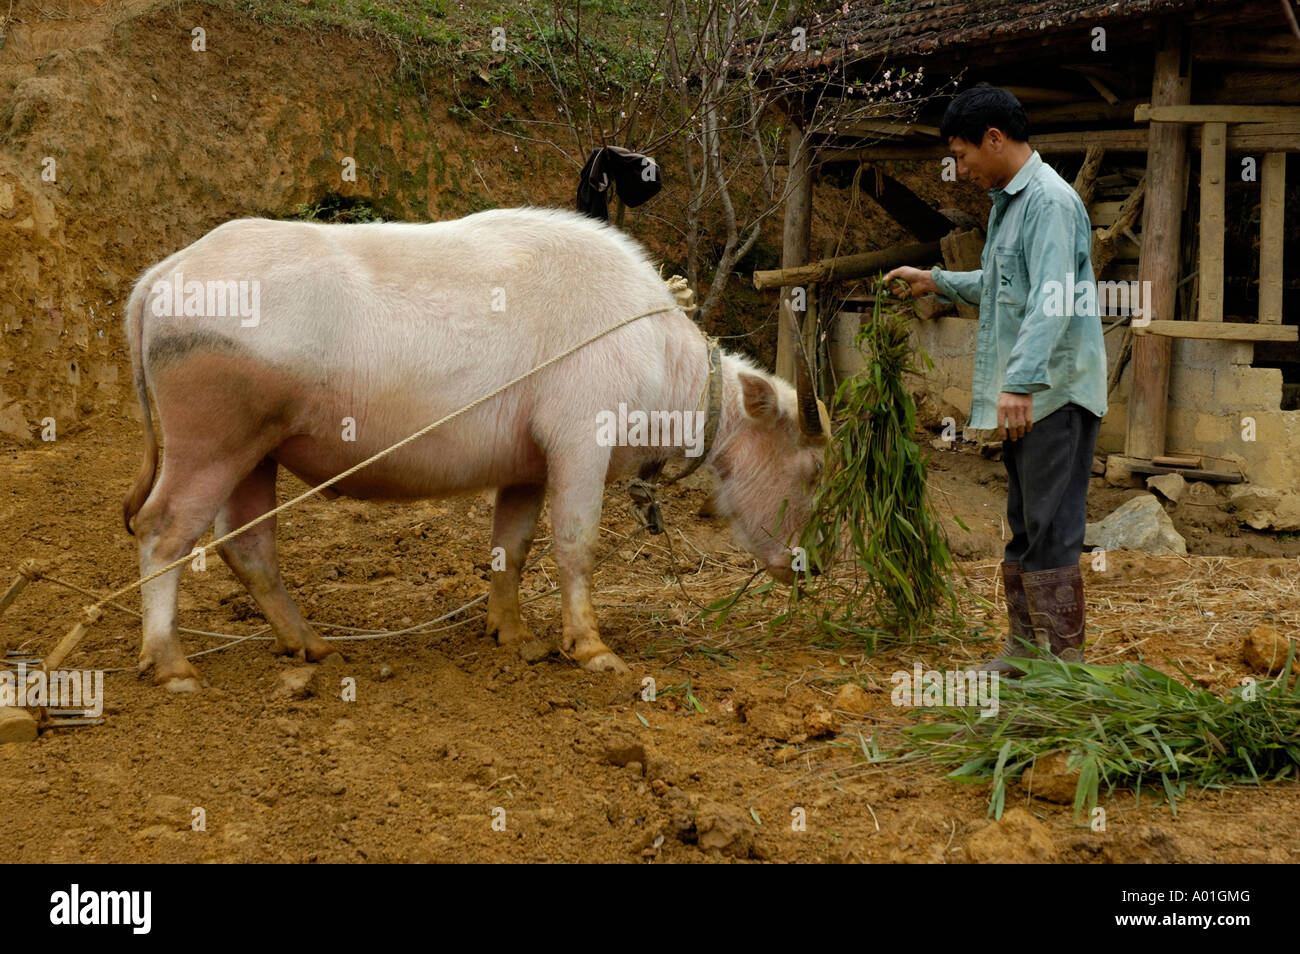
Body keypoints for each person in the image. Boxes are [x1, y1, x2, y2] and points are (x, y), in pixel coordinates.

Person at [884, 84, 1107, 673]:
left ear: (994, 138)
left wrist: (1021, 383)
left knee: (1052, 529)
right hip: (1032, 394)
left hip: (1052, 393)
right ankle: (1022, 652)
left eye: (961, 155)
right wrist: (937, 281)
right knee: (1025, 524)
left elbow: (1052, 302)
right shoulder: (1010, 202)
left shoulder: (1050, 203)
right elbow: (1006, 287)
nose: (958, 170)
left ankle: (1059, 670)